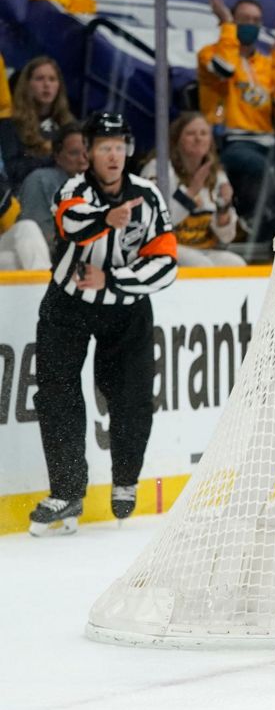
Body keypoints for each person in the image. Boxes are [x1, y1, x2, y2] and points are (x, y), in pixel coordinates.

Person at [28, 112, 177, 536]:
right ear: (88, 154)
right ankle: (67, 490)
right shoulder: (72, 189)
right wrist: (106, 221)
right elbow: (69, 224)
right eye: (103, 148)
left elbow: (165, 264)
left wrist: (111, 278)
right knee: (57, 394)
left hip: (125, 308)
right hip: (67, 305)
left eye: (118, 147)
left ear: (127, 150)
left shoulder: (148, 196)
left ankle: (126, 481)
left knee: (131, 394)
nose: (112, 156)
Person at [197, 0, 275, 236]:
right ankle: (256, 225)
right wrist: (227, 24)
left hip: (269, 140)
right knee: (255, 165)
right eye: (244, 19)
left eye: (256, 20)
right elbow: (225, 69)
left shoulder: (266, 63)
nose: (251, 25)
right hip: (230, 140)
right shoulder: (209, 54)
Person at [141, 112, 243, 266]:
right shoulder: (159, 170)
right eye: (190, 133)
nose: (198, 139)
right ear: (177, 139)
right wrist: (191, 192)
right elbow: (157, 224)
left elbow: (226, 237)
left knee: (236, 264)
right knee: (201, 265)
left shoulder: (216, 174)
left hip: (204, 248)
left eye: (204, 133)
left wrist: (224, 208)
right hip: (165, 247)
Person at [0, 56, 77, 188]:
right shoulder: (10, 123)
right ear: (27, 84)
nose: (47, 85)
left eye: (52, 79)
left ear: (59, 86)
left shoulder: (70, 125)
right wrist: (54, 157)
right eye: (39, 79)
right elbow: (12, 172)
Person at [16, 120, 87, 249]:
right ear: (57, 156)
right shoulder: (42, 180)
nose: (82, 160)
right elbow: (36, 235)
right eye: (74, 153)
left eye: (86, 153)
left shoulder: (103, 184)